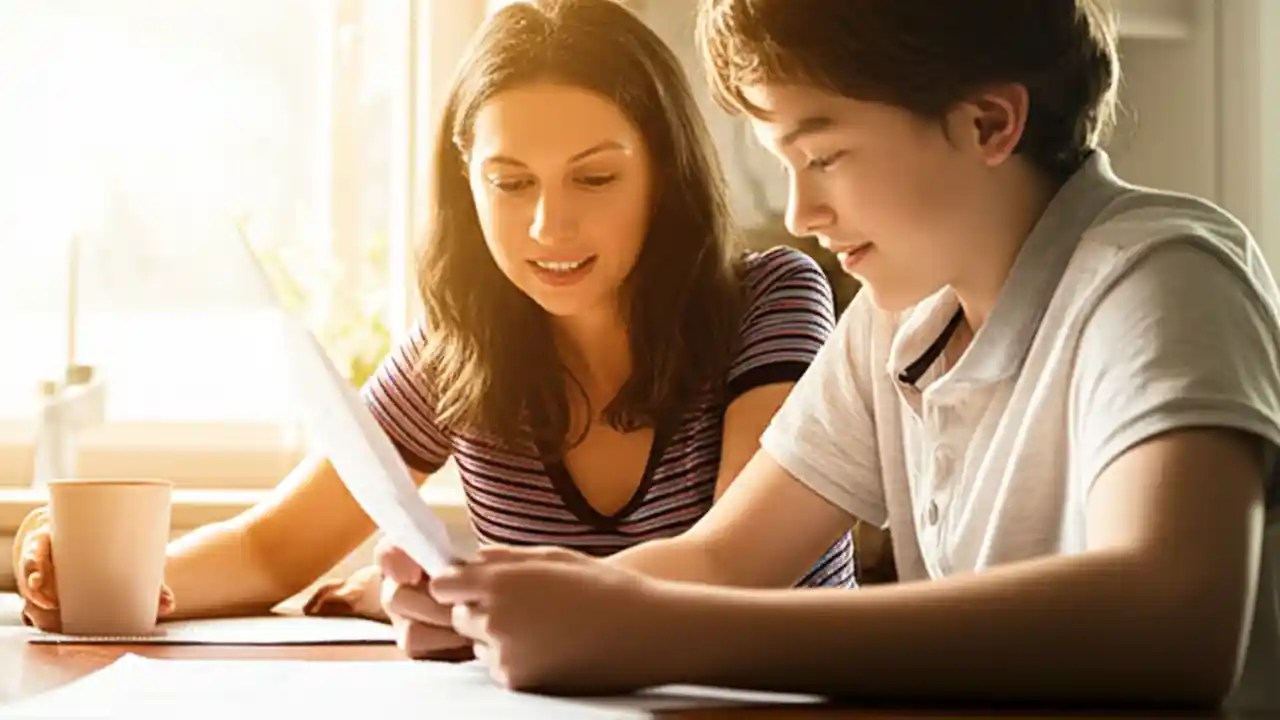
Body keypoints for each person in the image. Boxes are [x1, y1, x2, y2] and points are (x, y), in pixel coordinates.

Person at [386, 0, 1280, 709]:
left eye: (825, 156)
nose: (803, 212)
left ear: (987, 124)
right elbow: (721, 562)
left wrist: (654, 633)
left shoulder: (1158, 274)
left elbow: (1174, 620)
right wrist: (502, 606)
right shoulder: (900, 319)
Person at [11, 0, 855, 650]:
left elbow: (735, 574)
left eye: (594, 180)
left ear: (663, 176)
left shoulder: (771, 298)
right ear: (468, 185)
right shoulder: (460, 351)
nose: (547, 229)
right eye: (511, 182)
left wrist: (462, 599)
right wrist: (110, 578)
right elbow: (274, 549)